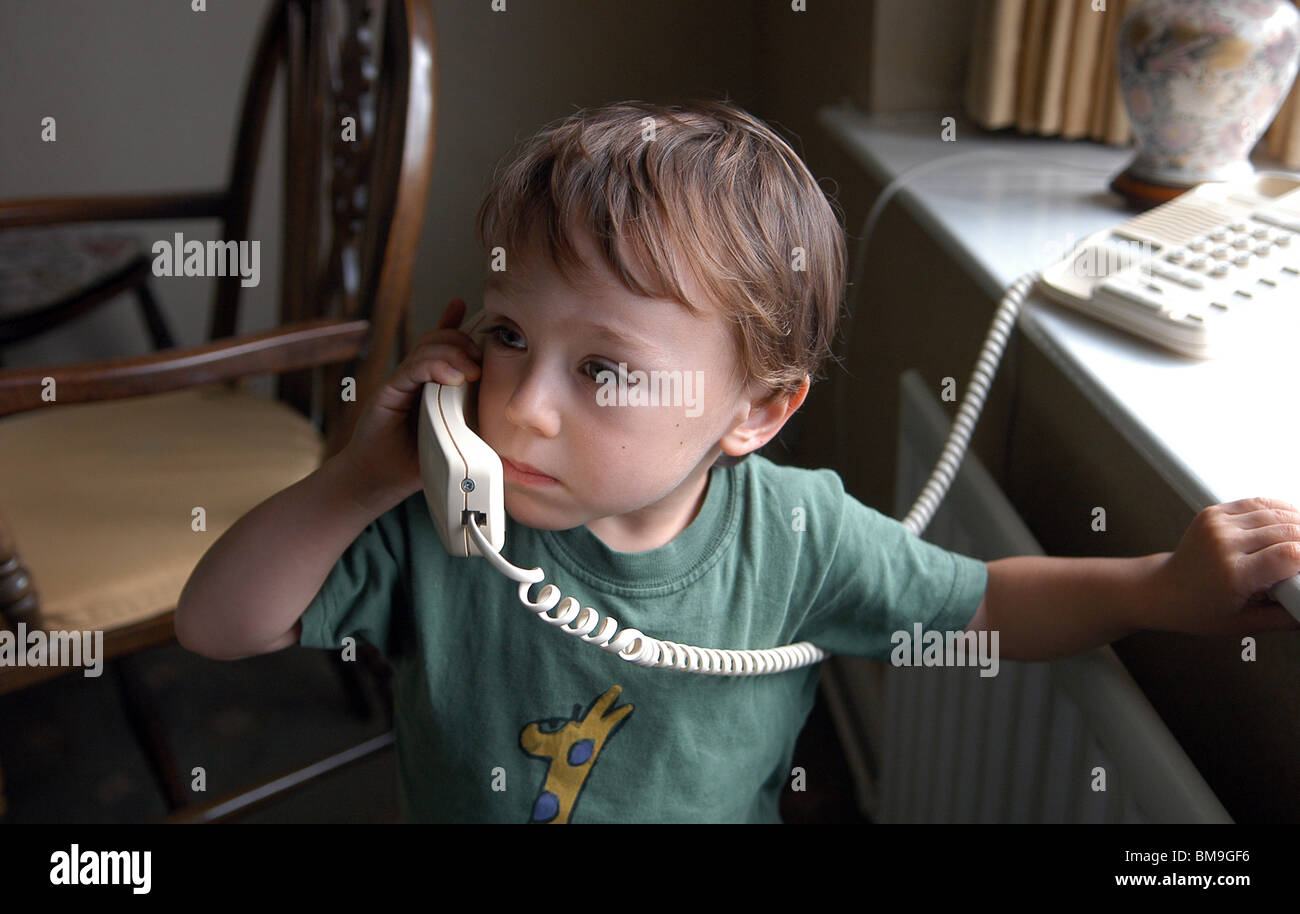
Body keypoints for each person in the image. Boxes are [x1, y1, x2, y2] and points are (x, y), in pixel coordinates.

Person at [176, 100, 1300, 823]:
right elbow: (217, 626)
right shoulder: (435, 515)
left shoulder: (795, 536)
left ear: (754, 414)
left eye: (605, 371)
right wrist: (361, 475)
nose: (519, 406)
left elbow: (980, 605)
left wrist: (1160, 589)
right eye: (508, 337)